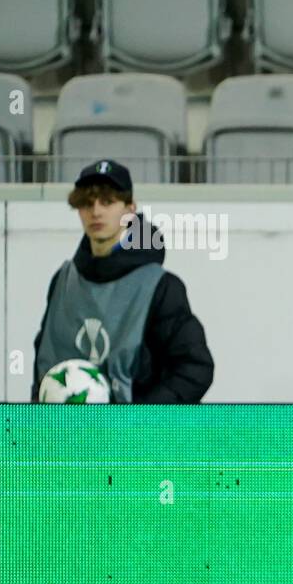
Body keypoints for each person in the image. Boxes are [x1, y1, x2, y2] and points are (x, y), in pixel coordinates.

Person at [33, 159, 213, 404]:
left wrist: (139, 421)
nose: (96, 211)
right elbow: (43, 365)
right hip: (67, 435)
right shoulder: (63, 282)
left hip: (139, 438)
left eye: (108, 201)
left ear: (130, 209)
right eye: (87, 203)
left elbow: (195, 369)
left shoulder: (161, 287)